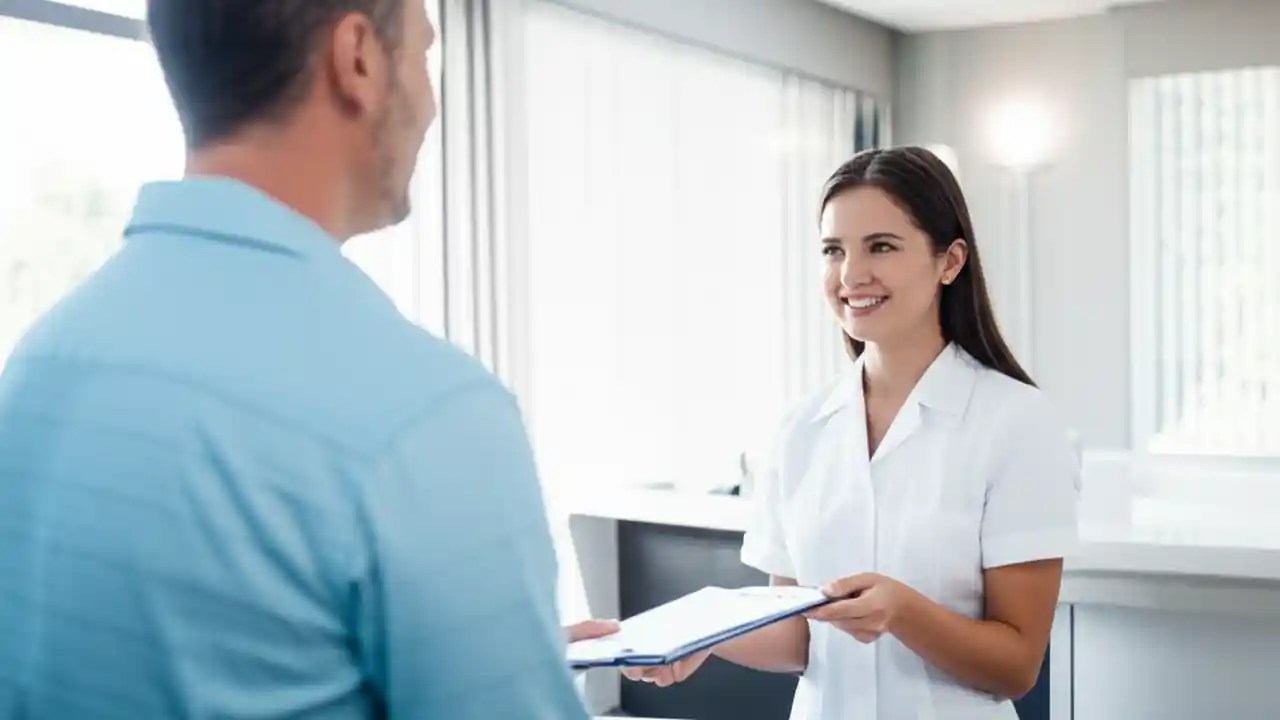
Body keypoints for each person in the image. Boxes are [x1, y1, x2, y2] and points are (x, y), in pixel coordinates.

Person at [0, 1, 603, 718]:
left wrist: (490, 654)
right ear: (358, 59)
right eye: (423, 53)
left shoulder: (39, 366)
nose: (432, 101)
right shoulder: (429, 416)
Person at [624, 146, 1081, 720]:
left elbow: (1016, 666)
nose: (851, 275)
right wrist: (703, 639)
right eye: (833, 250)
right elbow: (797, 639)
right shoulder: (800, 429)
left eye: (881, 247)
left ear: (950, 260)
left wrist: (904, 611)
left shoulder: (1016, 422)